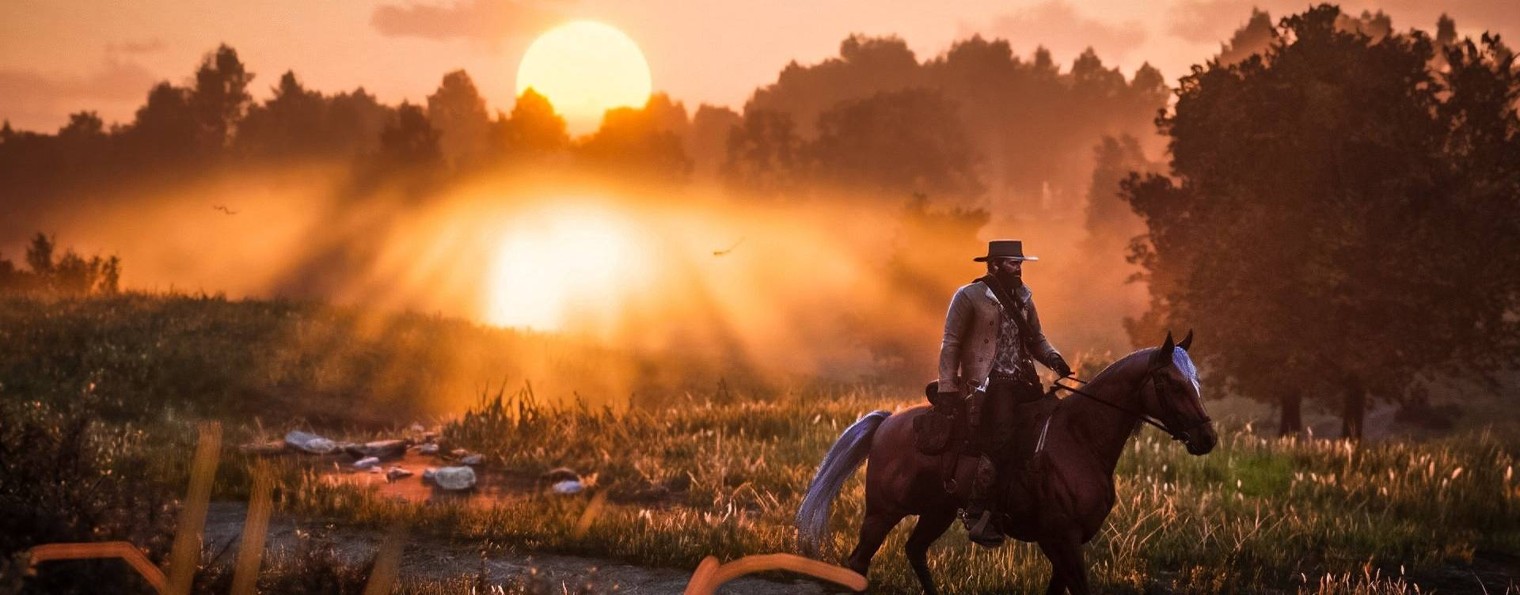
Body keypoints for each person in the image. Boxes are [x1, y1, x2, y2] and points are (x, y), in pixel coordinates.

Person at [938, 239, 1071, 547]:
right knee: (1002, 438)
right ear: (995, 264)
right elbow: (951, 343)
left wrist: (1054, 359)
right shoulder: (969, 296)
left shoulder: (1023, 298)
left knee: (1051, 426)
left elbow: (1037, 338)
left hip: (1024, 380)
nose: (1019, 268)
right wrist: (947, 386)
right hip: (991, 383)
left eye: (1020, 263)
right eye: (1013, 263)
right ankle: (978, 508)